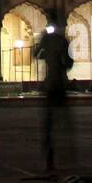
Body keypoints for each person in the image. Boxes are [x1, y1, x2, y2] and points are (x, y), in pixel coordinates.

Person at [34, 9, 74, 171]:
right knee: (64, 121)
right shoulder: (62, 41)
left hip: (50, 84)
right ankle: (67, 155)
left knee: (48, 123)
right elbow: (69, 63)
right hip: (61, 83)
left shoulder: (46, 39)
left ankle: (49, 158)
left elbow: (36, 55)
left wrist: (45, 50)